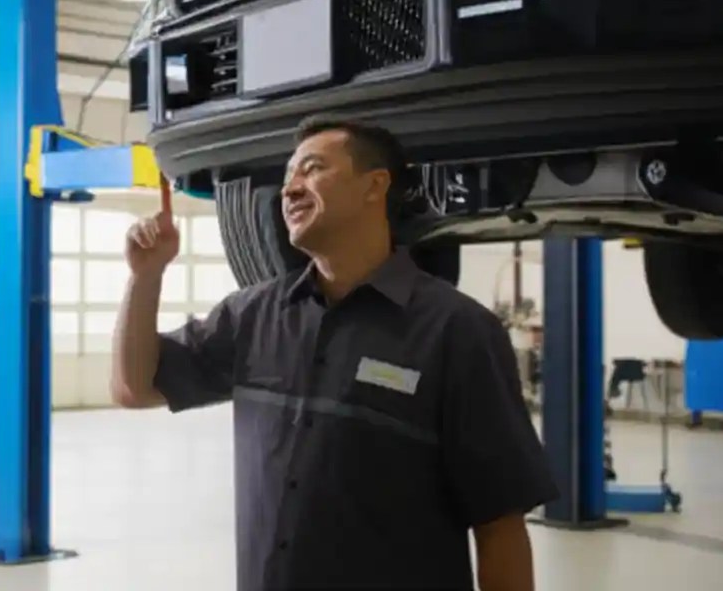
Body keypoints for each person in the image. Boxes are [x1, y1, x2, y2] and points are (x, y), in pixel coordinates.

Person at [111, 115, 559, 591]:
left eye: (312, 169)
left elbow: (500, 526)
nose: (290, 189)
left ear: (375, 186)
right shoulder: (255, 315)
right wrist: (146, 276)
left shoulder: (457, 331)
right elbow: (134, 387)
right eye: (287, 178)